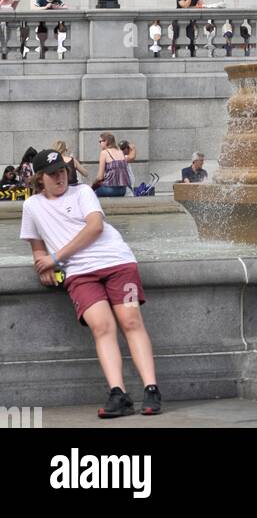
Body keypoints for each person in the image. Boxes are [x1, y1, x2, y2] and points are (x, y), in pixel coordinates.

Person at [20, 147, 161, 418]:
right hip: (80, 275)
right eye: (52, 174)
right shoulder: (31, 206)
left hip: (118, 263)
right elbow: (36, 245)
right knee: (102, 327)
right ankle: (118, 394)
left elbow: (95, 227)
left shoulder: (82, 192)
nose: (59, 177)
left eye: (61, 171)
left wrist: (55, 258)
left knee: (131, 321)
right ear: (40, 178)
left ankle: (151, 389)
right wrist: (42, 264)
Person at [94, 134, 133, 199]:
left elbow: (100, 177)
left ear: (106, 141)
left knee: (92, 193)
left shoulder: (104, 153)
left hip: (110, 189)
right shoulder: (120, 152)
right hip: (123, 190)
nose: (99, 144)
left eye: (100, 141)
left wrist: (92, 186)